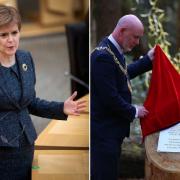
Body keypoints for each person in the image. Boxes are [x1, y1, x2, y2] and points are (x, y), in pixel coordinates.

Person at [0, 5, 86, 180]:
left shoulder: (25, 58)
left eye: (14, 33)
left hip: (26, 143)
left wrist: (61, 108)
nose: (11, 40)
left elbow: (30, 102)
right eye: (3, 35)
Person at [91, 14, 155, 180]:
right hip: (104, 135)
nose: (137, 42)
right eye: (135, 37)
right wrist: (134, 111)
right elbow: (110, 98)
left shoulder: (113, 50)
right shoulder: (103, 56)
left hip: (112, 133)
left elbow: (123, 74)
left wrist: (148, 60)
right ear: (122, 31)